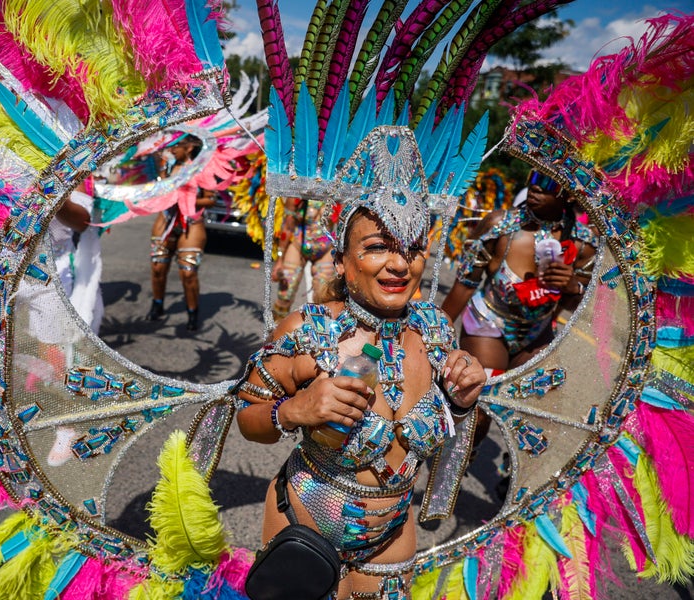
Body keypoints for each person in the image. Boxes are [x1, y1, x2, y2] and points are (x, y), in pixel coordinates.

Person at [233, 129, 487, 597]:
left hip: (392, 534)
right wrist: (294, 411)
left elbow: (442, 431)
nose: (399, 264)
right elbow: (248, 420)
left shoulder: (433, 331)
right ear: (343, 261)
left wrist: (461, 398)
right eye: (377, 247)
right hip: (304, 525)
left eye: (411, 248)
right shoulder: (304, 330)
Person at [441, 169, 598, 373]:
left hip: (538, 332)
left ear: (569, 195)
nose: (536, 186)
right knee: (485, 392)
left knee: (533, 395)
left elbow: (585, 310)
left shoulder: (584, 244)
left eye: (548, 182)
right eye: (533, 176)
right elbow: (463, 286)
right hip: (488, 323)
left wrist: (572, 286)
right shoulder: (499, 226)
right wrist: (434, 336)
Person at [145, 134, 216, 331]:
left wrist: (184, 200)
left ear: (190, 147)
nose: (173, 148)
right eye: (172, 144)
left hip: (191, 223)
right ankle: (157, 305)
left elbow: (211, 199)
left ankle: (192, 312)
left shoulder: (202, 168)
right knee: (158, 267)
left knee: (188, 272)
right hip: (165, 220)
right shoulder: (166, 166)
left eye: (178, 144)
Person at [270, 196, 336, 320]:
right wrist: (279, 260)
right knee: (285, 295)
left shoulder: (338, 192)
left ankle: (317, 336)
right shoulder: (298, 194)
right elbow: (288, 227)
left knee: (323, 297)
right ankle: (276, 332)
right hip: (297, 246)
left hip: (325, 249)